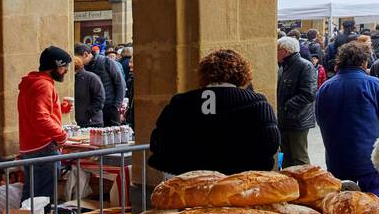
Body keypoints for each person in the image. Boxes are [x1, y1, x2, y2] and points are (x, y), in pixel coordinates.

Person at [149, 49, 279, 175]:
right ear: (243, 74)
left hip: (194, 183)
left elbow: (160, 142)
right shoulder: (257, 103)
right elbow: (270, 144)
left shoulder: (181, 102)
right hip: (240, 185)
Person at [314, 41, 379, 195]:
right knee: (372, 203)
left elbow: (320, 118)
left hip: (337, 156)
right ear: (364, 62)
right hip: (369, 157)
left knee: (341, 202)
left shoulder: (325, 87)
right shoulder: (374, 84)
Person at [18, 46, 72, 206]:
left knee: (31, 194)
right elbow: (40, 117)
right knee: (43, 197)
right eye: (64, 67)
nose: (65, 71)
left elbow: (34, 111)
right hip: (43, 146)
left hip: (30, 145)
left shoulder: (32, 83)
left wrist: (60, 109)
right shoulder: (44, 85)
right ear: (55, 66)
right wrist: (61, 136)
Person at [276, 36, 317, 168]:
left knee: (299, 157)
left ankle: (306, 185)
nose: (275, 52)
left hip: (298, 120)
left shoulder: (305, 66)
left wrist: (287, 106)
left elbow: (308, 94)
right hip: (285, 120)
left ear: (286, 51)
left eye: (277, 50)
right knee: (286, 156)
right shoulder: (284, 67)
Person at [81, 43, 125, 126]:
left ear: (85, 55)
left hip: (109, 107)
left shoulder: (106, 61)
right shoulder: (83, 66)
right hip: (93, 110)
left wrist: (116, 106)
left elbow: (120, 83)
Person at [71, 46, 105, 128]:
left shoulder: (91, 77)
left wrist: (88, 113)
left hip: (92, 122)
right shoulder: (71, 80)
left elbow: (100, 98)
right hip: (78, 121)